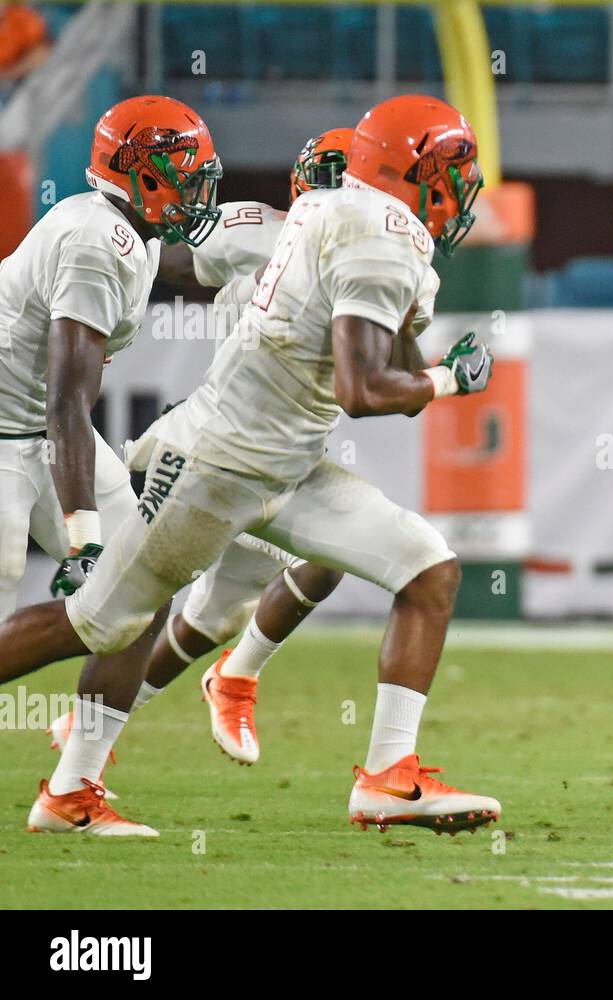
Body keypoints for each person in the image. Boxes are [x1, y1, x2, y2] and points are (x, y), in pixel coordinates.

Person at [1, 94, 499, 839]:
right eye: (451, 174)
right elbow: (367, 391)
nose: (461, 194)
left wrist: (421, 350)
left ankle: (387, 777)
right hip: (216, 462)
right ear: (412, 172)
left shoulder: (341, 223)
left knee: (430, 570)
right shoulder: (373, 234)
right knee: (102, 621)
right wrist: (454, 378)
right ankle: (81, 784)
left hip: (289, 465)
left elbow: (388, 369)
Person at [46, 129, 369, 769]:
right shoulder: (254, 232)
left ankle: (89, 735)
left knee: (203, 621)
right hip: (217, 449)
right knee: (132, 601)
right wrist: (93, 294)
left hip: (281, 461)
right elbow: (159, 258)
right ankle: (235, 681)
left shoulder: (380, 262)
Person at [0, 95, 222, 834]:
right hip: (9, 433)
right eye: (183, 171)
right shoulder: (96, 241)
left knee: (144, 581)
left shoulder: (130, 226)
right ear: (140, 170)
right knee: (96, 574)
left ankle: (71, 793)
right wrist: (84, 537)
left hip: (35, 424)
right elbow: (69, 403)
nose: (195, 187)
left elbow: (193, 267)